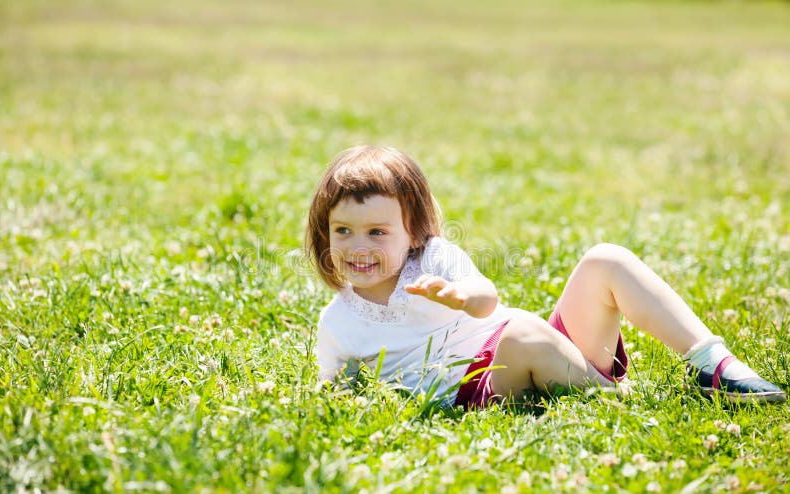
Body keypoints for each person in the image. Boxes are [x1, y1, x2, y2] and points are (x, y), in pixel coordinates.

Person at [306, 145, 786, 408]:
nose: (358, 247)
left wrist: (459, 296)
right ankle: (618, 398)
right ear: (325, 233)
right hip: (479, 385)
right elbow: (336, 392)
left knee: (606, 260)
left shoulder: (434, 257)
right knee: (524, 335)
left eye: (377, 232)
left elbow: (486, 300)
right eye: (343, 230)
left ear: (412, 232)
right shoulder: (338, 322)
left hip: (535, 348)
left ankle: (712, 363)